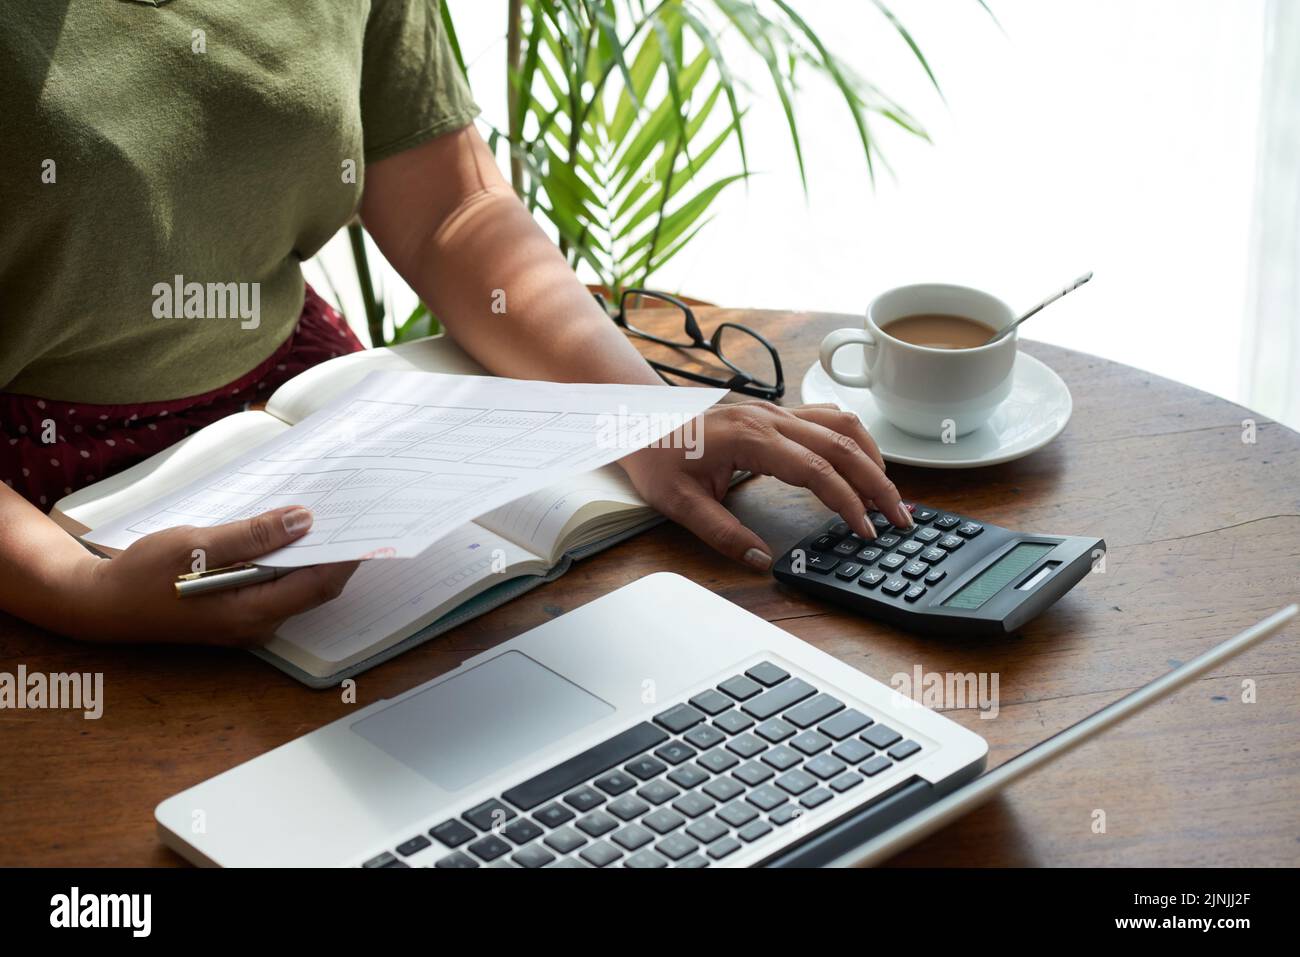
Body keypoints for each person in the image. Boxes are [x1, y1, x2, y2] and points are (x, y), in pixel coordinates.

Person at [1, 1, 908, 646]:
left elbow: (449, 212)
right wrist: (81, 590)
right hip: (41, 499)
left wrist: (644, 412)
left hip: (309, 413)